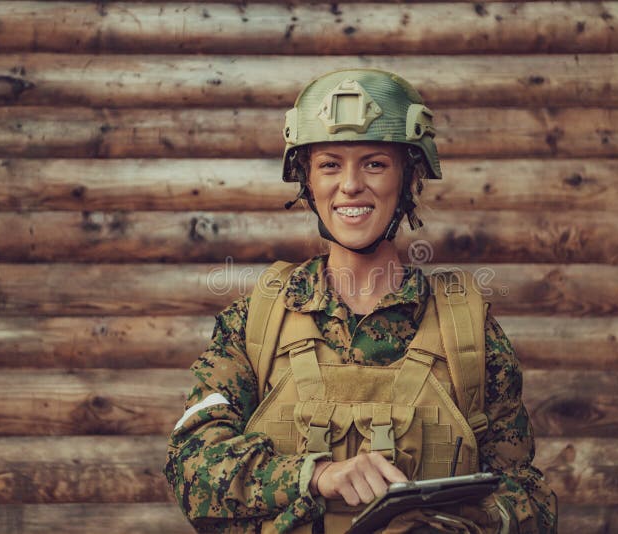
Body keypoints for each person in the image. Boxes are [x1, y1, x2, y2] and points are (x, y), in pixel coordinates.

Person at [165, 68, 557, 533]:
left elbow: (528, 494)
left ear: (408, 178)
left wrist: (465, 522)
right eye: (330, 164)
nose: (350, 185)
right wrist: (315, 476)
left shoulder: (467, 330)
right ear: (307, 182)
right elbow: (191, 464)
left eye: (374, 163)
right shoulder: (255, 322)